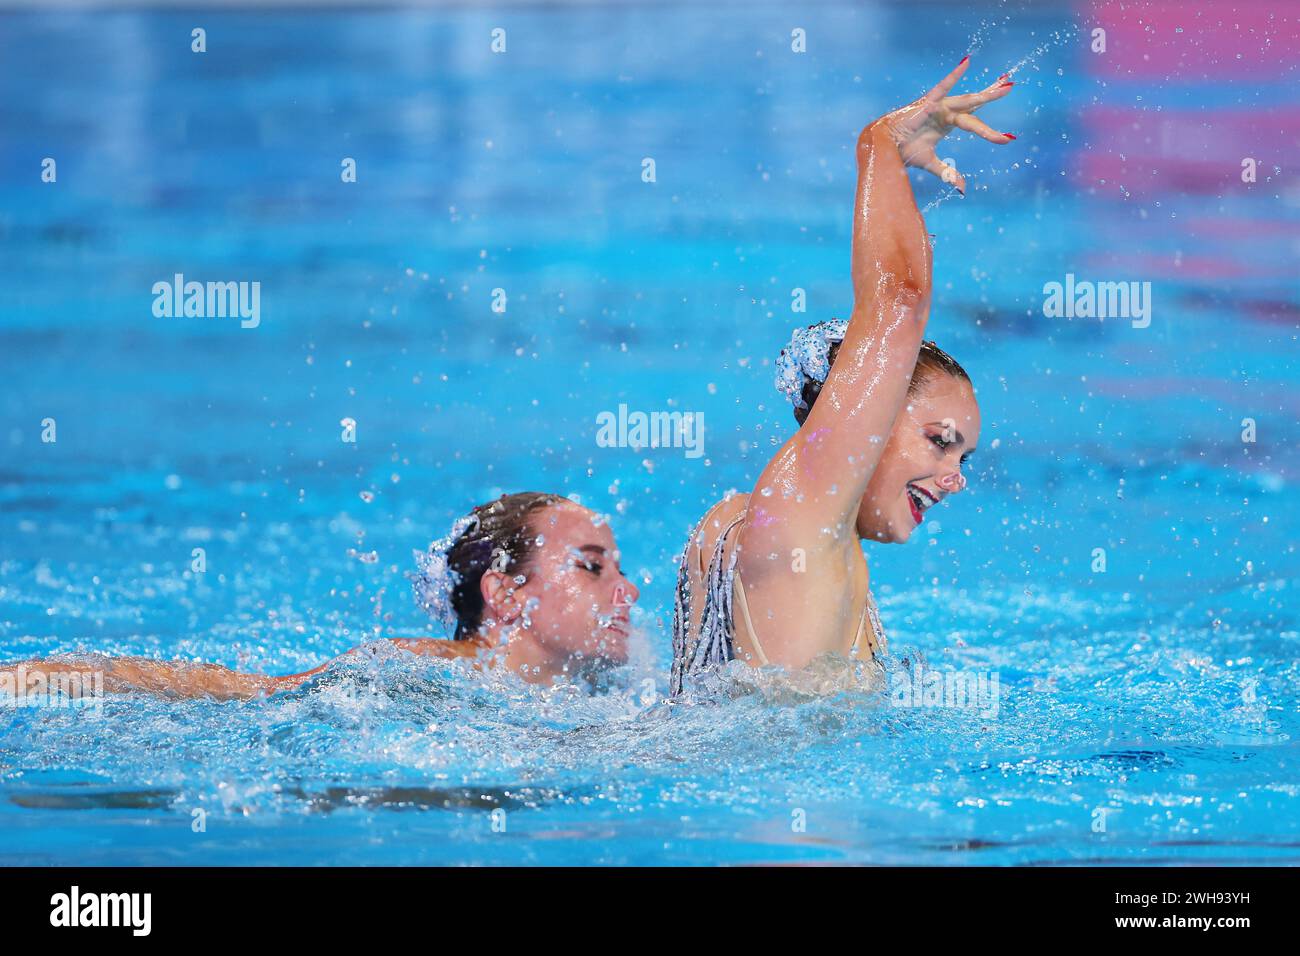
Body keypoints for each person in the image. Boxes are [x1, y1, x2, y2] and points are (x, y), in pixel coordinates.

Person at [671, 57, 1010, 695]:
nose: (957, 479)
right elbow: (897, 302)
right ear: (871, 413)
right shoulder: (797, 518)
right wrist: (882, 147)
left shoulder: (745, 526)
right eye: (940, 440)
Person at [1, 492, 639, 701]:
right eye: (591, 567)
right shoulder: (416, 671)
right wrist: (35, 682)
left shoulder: (591, 694)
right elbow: (250, 697)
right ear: (503, 593)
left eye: (619, 567)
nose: (628, 590)